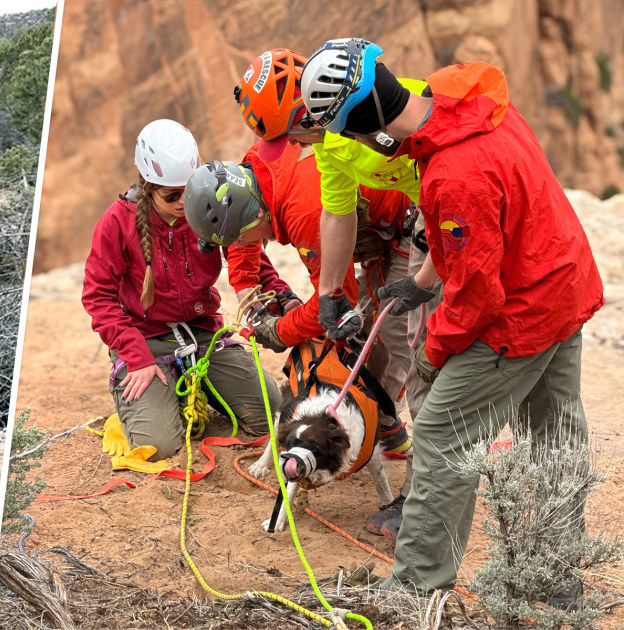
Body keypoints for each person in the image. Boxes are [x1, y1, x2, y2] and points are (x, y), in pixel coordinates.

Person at [299, 39, 603, 600]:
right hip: (565, 278)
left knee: (442, 431)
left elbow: (476, 299)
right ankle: (555, 584)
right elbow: (480, 235)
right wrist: (420, 285)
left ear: (367, 128)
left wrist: (432, 353)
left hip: (524, 310)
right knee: (553, 432)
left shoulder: (451, 173)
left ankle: (415, 588)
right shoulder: (463, 98)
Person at [227, 48, 422, 538]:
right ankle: (379, 418)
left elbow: (334, 301)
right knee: (363, 336)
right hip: (375, 230)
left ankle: (405, 465)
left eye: (293, 136)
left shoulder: (300, 204)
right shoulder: (261, 162)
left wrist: (280, 330)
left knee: (400, 343)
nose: (290, 145)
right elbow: (242, 237)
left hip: (404, 228)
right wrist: (251, 293)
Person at [82, 119, 286, 467]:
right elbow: (97, 298)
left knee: (271, 415)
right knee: (159, 447)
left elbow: (250, 257)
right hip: (144, 341)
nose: (182, 202)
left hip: (203, 334)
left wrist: (281, 295)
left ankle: (196, 386)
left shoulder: (212, 202)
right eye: (170, 195)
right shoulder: (117, 222)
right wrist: (135, 356)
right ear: (148, 187)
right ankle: (145, 407)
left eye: (187, 190)